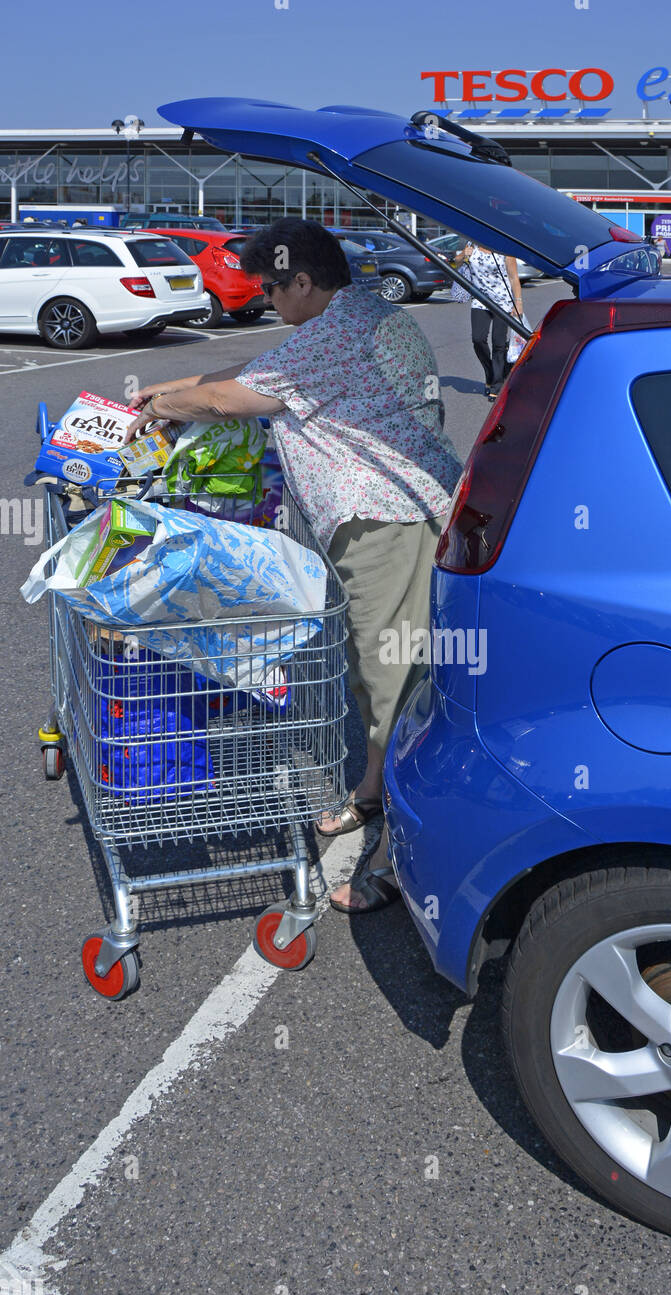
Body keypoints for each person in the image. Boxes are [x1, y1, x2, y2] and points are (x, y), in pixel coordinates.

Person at [122, 218, 464, 913]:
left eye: (273, 289)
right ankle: (373, 791)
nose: (269, 301)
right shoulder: (360, 315)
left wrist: (162, 404)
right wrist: (160, 388)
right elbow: (242, 375)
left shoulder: (335, 334)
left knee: (394, 680)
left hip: (385, 524)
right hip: (406, 511)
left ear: (303, 281)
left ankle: (406, 855)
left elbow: (228, 398)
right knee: (382, 673)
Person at [452, 241, 522, 399]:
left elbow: (513, 278)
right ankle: (490, 372)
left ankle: (497, 384)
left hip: (502, 302)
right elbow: (454, 264)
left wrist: (518, 302)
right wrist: (463, 255)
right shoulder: (472, 245)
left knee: (498, 343)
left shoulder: (504, 250)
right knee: (478, 339)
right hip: (480, 301)